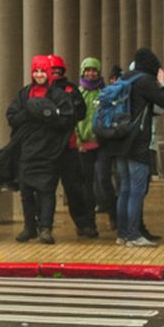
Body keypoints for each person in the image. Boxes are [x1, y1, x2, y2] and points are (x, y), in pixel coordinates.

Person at [103, 48, 164, 247]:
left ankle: (122, 234)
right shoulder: (145, 81)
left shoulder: (124, 79)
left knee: (124, 189)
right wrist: (162, 83)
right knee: (137, 190)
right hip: (137, 143)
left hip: (120, 140)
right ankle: (134, 235)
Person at [7, 55, 77, 244]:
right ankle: (29, 227)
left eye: (42, 71)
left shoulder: (59, 95)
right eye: (36, 71)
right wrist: (30, 112)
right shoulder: (24, 94)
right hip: (26, 150)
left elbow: (67, 119)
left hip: (49, 151)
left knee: (46, 190)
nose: (39, 75)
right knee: (26, 192)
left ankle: (46, 228)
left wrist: (47, 116)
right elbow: (12, 117)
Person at [49, 54, 97, 237]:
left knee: (74, 188)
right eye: (51, 71)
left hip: (68, 146)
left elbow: (81, 112)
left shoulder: (71, 89)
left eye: (57, 71)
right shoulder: (38, 90)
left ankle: (84, 224)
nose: (54, 74)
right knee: (46, 189)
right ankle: (43, 225)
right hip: (47, 148)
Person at [77, 57, 117, 231]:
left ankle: (114, 215)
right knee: (86, 185)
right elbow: (74, 119)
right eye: (88, 70)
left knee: (103, 180)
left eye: (94, 70)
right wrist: (78, 140)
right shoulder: (78, 93)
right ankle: (89, 223)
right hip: (84, 145)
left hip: (103, 144)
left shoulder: (105, 93)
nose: (91, 74)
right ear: (83, 72)